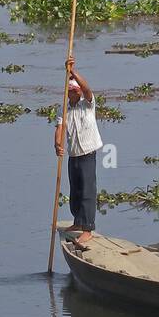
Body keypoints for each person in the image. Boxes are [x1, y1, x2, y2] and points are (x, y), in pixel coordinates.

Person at [54, 56, 103, 250]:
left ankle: (88, 229)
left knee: (87, 191)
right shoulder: (64, 109)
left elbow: (88, 88)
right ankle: (78, 221)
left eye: (75, 91)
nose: (73, 94)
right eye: (71, 92)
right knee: (75, 190)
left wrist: (72, 71)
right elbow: (60, 127)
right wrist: (57, 144)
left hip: (88, 152)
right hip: (73, 154)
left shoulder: (88, 104)